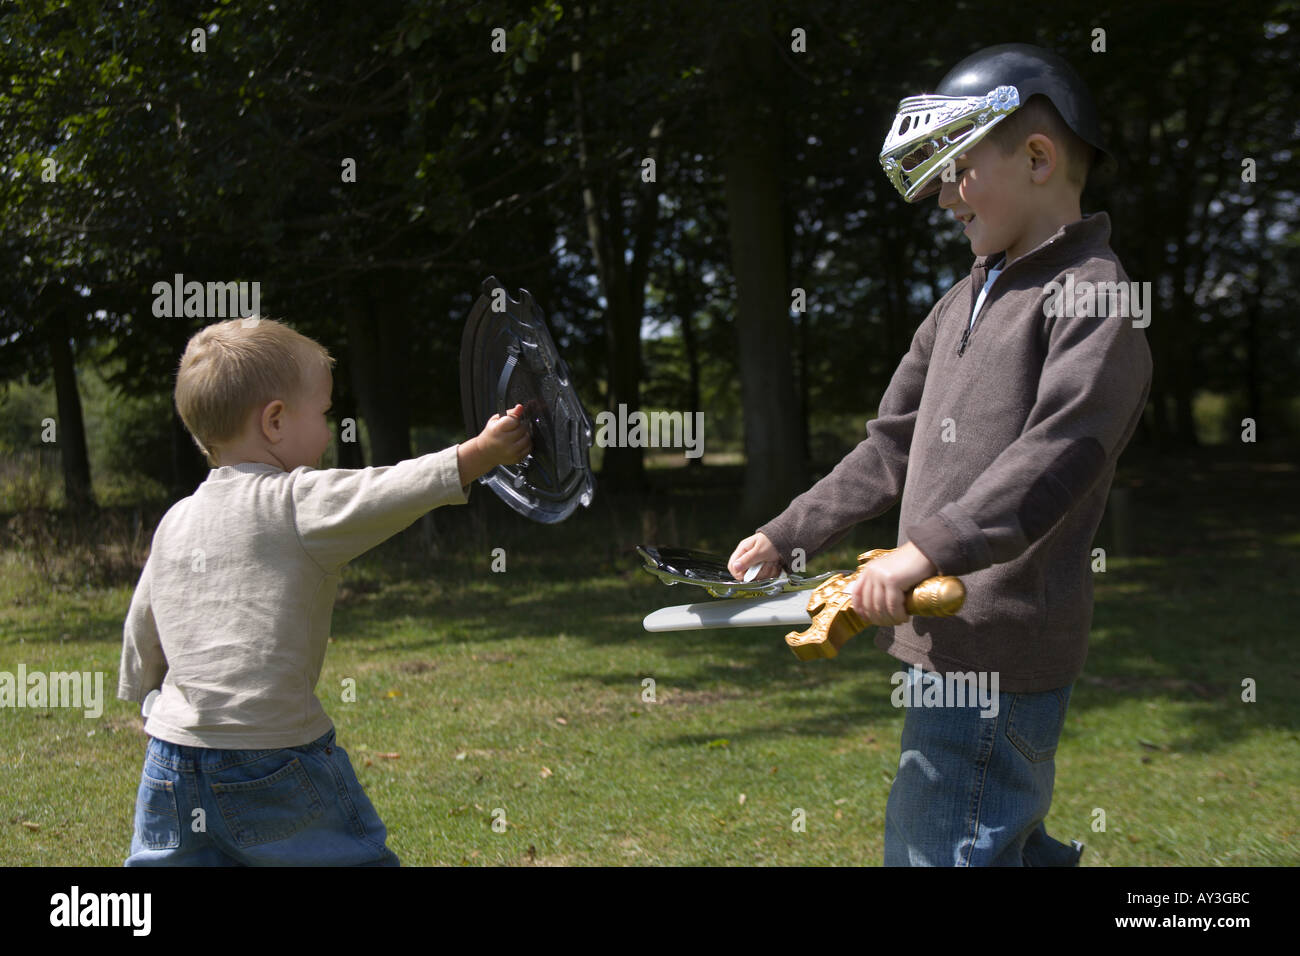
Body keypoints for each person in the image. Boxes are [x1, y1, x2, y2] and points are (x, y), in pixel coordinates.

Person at [728, 43, 1152, 866]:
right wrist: (791, 532)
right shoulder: (964, 297)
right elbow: (889, 446)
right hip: (940, 629)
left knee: (942, 844)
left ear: (1037, 156)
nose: (941, 194)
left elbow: (1061, 451)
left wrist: (925, 549)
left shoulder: (1094, 293)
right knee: (990, 839)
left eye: (960, 167)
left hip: (999, 643)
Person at [118, 316, 531, 865]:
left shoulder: (176, 519)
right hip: (272, 759)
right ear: (274, 421)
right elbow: (389, 491)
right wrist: (480, 452)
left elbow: (144, 624)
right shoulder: (292, 501)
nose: (329, 429)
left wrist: (145, 701)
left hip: (171, 760)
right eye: (324, 412)